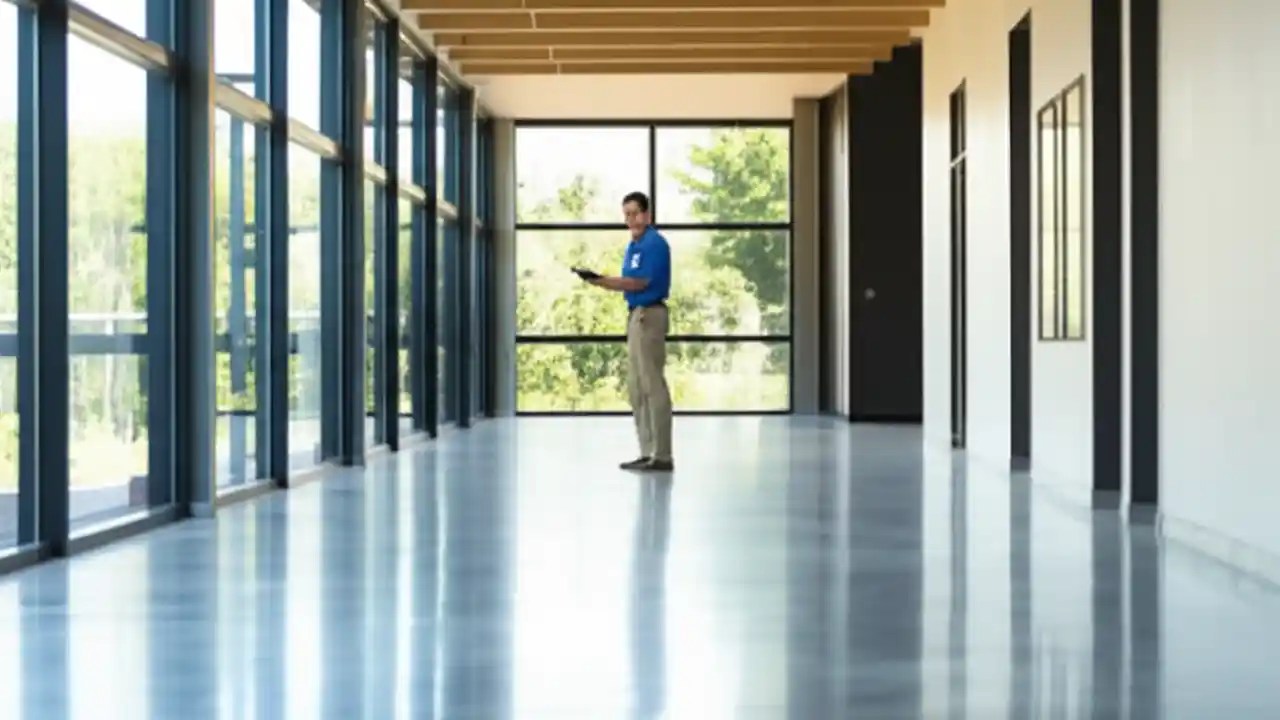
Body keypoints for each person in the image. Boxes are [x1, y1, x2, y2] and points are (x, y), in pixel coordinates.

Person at [586, 191, 674, 472]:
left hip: (650, 315)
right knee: (637, 387)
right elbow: (629, 281)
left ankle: (662, 454)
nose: (631, 220)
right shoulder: (633, 247)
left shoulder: (654, 244)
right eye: (626, 215)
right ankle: (647, 451)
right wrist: (603, 281)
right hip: (636, 315)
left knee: (652, 384)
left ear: (647, 215)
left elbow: (639, 282)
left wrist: (603, 281)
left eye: (635, 213)